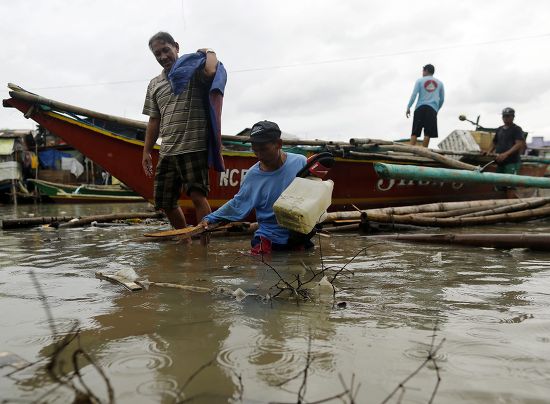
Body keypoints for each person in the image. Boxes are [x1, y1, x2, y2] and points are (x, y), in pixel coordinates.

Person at [142, 31, 221, 230]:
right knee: (165, 202)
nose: (162, 57)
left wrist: (209, 50)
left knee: (197, 196)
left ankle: (203, 247)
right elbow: (154, 120)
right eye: (157, 54)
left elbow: (212, 70)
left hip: (194, 146)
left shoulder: (193, 72)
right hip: (167, 151)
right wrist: (146, 151)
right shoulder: (154, 84)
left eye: (166, 50)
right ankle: (183, 239)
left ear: (176, 47)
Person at [199, 121, 311, 254]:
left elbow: (314, 194)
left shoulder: (300, 162)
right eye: (255, 149)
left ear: (279, 144)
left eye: (263, 149)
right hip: (269, 238)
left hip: (299, 234)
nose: (259, 155)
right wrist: (210, 218)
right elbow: (238, 203)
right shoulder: (253, 175)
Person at [406, 64, 445, 147]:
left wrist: (409, 107)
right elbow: (442, 99)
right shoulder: (440, 83)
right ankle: (424, 151)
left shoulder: (419, 81)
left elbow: (414, 95)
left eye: (423, 70)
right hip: (432, 109)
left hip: (420, 108)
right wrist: (436, 109)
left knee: (415, 131)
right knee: (428, 133)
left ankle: (410, 150)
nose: (422, 72)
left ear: (426, 70)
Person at [488, 107, 526, 175]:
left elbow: (519, 144)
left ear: (513, 117)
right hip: (500, 162)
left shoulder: (517, 129)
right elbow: (494, 142)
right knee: (498, 182)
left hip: (511, 162)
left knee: (509, 183)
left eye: (508, 116)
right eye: (504, 116)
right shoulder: (499, 129)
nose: (505, 118)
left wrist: (505, 154)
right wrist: (489, 152)